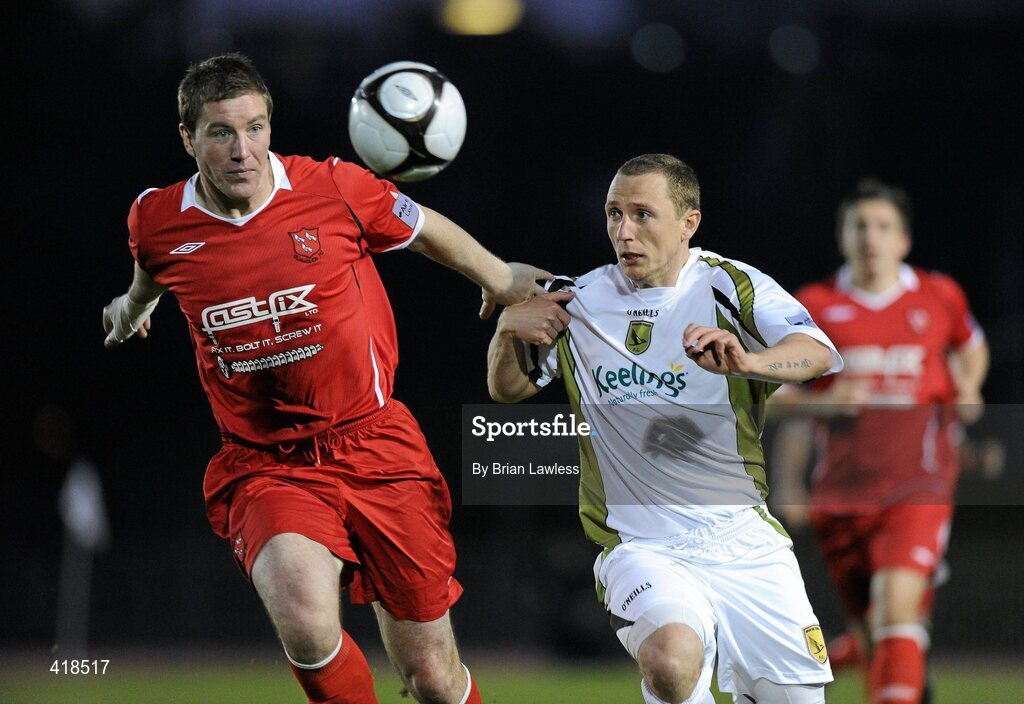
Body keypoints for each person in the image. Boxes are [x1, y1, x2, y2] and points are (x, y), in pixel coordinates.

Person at [101, 53, 550, 704]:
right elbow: (148, 280)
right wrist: (128, 312)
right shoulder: (158, 219)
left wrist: (500, 278)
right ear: (188, 138)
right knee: (307, 623)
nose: (242, 149)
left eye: (255, 128)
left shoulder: (334, 188)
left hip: (375, 448)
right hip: (267, 465)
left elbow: (424, 231)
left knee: (432, 677)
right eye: (221, 132)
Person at [486, 153, 841, 704]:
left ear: (688, 223)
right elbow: (508, 389)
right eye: (613, 214)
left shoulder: (729, 286)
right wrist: (508, 332)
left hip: (743, 542)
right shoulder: (580, 301)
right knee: (671, 663)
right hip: (641, 546)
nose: (623, 231)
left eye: (642, 215)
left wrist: (750, 363)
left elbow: (815, 353)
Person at [768, 179, 989, 704]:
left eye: (883, 227)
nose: (871, 237)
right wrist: (823, 412)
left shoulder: (939, 296)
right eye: (860, 226)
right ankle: (896, 673)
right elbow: (775, 398)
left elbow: (971, 346)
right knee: (878, 637)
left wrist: (970, 385)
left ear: (903, 241)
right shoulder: (816, 306)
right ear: (843, 238)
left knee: (896, 609)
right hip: (842, 497)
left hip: (920, 486)